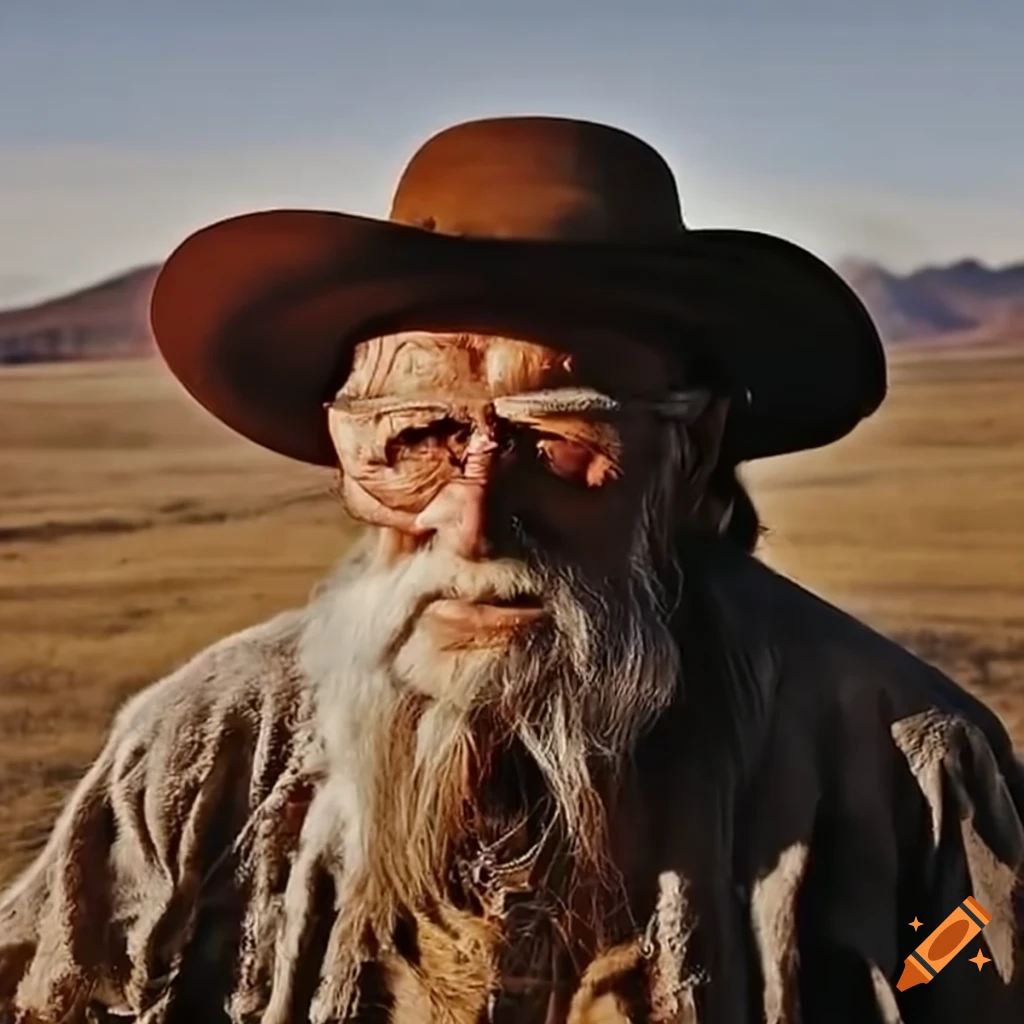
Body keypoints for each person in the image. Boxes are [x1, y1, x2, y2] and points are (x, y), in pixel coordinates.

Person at [1, 116, 1021, 1024]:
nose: (474, 522)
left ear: (692, 448)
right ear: (344, 457)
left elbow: (970, 977)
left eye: (560, 438)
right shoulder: (208, 746)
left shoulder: (902, 764)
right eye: (415, 436)